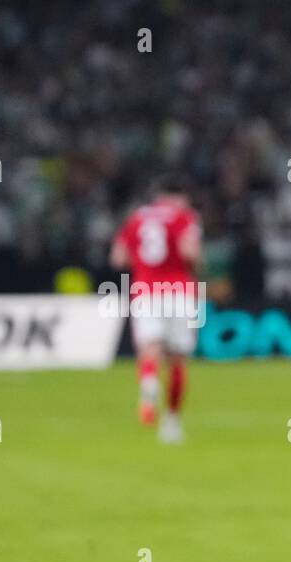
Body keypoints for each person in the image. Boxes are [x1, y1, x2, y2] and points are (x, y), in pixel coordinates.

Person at [110, 176, 203, 443]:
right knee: (177, 358)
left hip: (145, 289)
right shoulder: (185, 216)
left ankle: (148, 384)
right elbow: (190, 252)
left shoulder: (138, 217)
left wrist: (142, 262)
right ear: (179, 196)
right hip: (179, 291)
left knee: (149, 348)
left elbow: (117, 257)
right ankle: (171, 421)